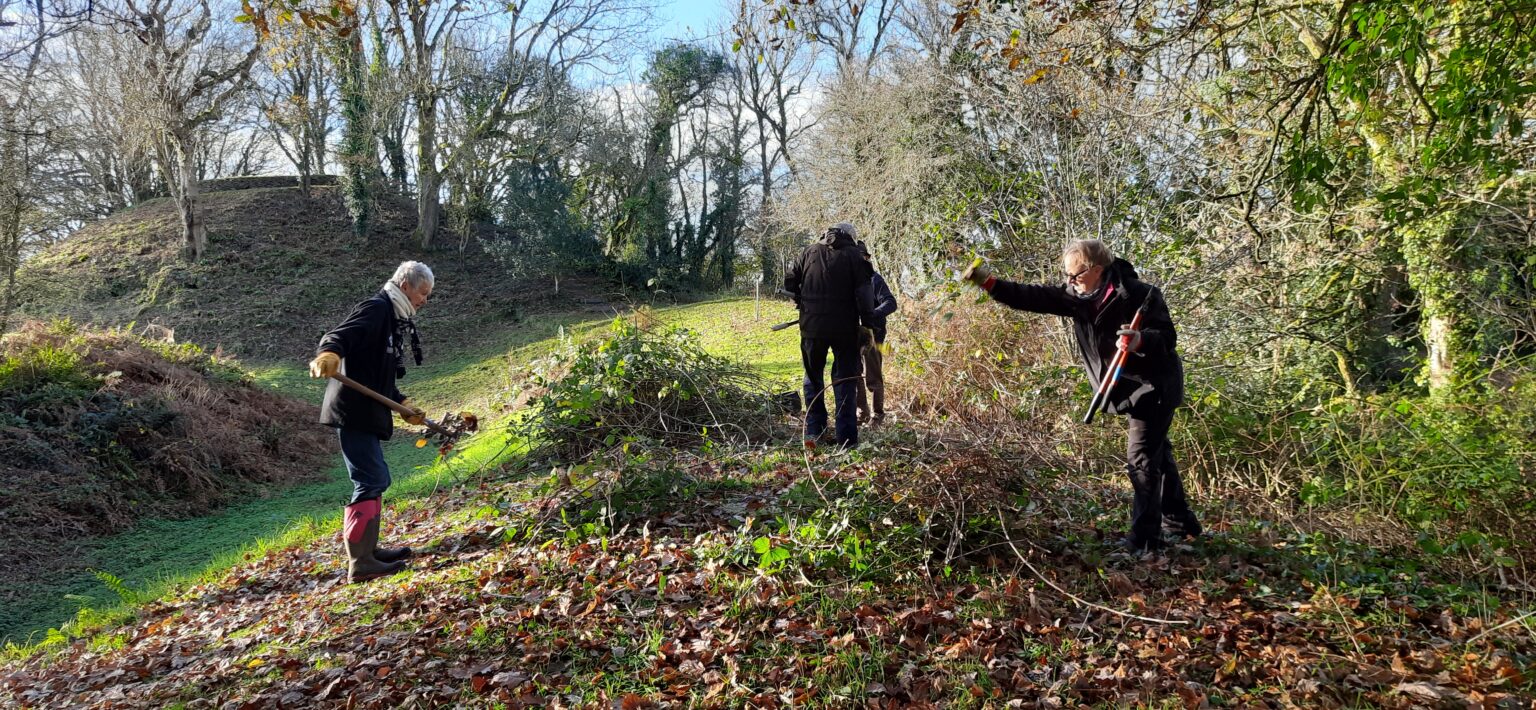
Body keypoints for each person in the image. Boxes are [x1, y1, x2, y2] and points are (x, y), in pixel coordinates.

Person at [963, 240, 1200, 551]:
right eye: (1066, 276)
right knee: (1157, 455)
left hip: (1154, 387)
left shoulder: (1140, 294)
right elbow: (1031, 296)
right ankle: (1181, 524)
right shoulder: (1077, 297)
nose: (1069, 282)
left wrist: (1140, 339)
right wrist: (988, 282)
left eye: (1075, 275)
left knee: (1141, 459)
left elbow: (1168, 338)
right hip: (1125, 389)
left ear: (1097, 270)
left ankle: (1145, 542)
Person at [308, 261, 434, 582]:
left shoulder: (393, 318)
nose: (424, 300)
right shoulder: (377, 308)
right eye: (422, 292)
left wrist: (404, 405)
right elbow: (338, 336)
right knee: (371, 479)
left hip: (367, 413)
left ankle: (369, 552)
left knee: (375, 479)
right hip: (353, 412)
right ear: (405, 284)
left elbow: (379, 379)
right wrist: (328, 355)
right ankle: (360, 563)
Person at [785, 222, 875, 449]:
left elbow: (789, 280)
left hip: (811, 327)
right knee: (845, 380)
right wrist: (868, 326)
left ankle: (815, 432)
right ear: (851, 238)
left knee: (813, 377)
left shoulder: (808, 252)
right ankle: (846, 439)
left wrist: (799, 301)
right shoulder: (856, 256)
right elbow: (865, 296)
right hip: (845, 329)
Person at [855, 241, 898, 424]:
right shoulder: (848, 282)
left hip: (873, 335)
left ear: (865, 258)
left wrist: (871, 315)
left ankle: (877, 415)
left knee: (873, 376)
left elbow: (890, 302)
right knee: (855, 375)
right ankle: (861, 414)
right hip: (853, 335)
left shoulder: (875, 279)